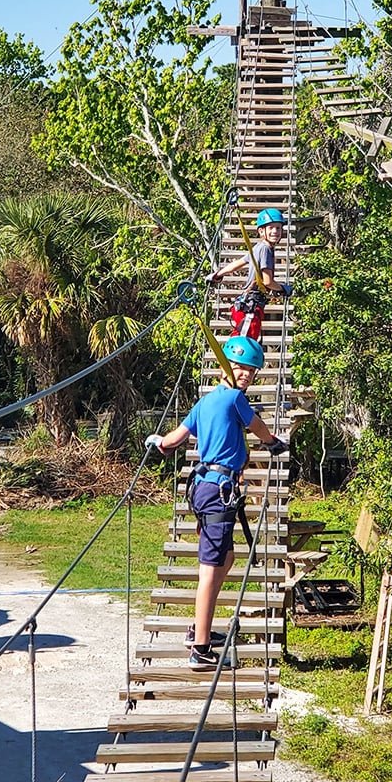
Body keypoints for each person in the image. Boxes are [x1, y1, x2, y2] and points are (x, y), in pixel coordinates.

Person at [146, 336, 287, 669]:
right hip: (218, 491)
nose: (246, 375)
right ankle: (200, 649)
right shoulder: (236, 398)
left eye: (252, 371)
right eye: (240, 367)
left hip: (203, 489)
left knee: (227, 557)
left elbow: (172, 442)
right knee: (209, 570)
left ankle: (200, 628)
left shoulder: (203, 404)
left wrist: (158, 442)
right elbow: (258, 428)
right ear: (225, 367)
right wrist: (273, 443)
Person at [207, 207, 292, 343]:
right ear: (261, 231)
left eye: (278, 228)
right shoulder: (266, 249)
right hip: (252, 306)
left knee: (244, 343)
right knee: (243, 346)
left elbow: (239, 262)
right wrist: (283, 289)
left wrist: (218, 275)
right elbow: (267, 281)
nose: (275, 231)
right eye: (271, 228)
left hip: (248, 303)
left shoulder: (258, 247)